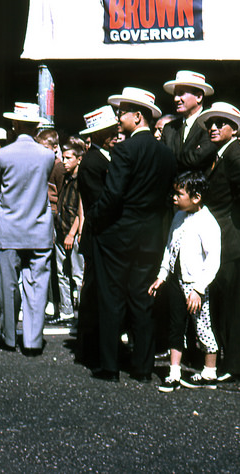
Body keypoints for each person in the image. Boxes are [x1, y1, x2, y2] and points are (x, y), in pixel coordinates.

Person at [90, 87, 176, 382]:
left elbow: (113, 195)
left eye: (122, 112)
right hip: (151, 235)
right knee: (142, 299)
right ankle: (143, 367)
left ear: (138, 117)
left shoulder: (124, 150)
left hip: (119, 234)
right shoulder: (166, 154)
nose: (117, 117)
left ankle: (110, 366)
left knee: (112, 298)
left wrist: (95, 219)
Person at [196, 102, 240, 382]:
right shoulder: (221, 154)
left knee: (236, 307)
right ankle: (231, 362)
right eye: (210, 123)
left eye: (220, 123)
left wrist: (236, 210)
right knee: (227, 303)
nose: (213, 127)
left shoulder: (234, 153)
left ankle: (239, 366)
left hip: (235, 239)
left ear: (233, 129)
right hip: (226, 240)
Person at [0, 102, 56, 357]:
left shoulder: (2, 154)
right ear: (37, 127)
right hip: (39, 227)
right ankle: (32, 340)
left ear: (15, 125)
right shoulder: (47, 155)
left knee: (7, 285)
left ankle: (8, 337)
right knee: (37, 285)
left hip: (9, 227)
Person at [150, 171, 222, 391]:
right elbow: (170, 248)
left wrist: (199, 289)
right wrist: (162, 275)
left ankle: (210, 372)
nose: (174, 198)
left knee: (202, 326)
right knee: (176, 325)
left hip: (195, 284)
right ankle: (174, 372)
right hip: (176, 280)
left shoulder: (208, 222)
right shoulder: (179, 216)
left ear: (196, 197)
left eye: (179, 194)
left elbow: (213, 259)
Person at [74, 105, 120, 368]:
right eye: (109, 132)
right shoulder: (93, 162)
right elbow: (98, 201)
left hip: (99, 234)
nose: (114, 135)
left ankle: (92, 345)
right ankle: (88, 347)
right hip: (96, 235)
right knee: (92, 293)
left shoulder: (104, 157)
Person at [50, 136, 84, 325]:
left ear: (79, 159)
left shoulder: (81, 180)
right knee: (62, 274)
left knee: (77, 275)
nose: (64, 161)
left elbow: (81, 211)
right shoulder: (66, 178)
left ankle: (82, 315)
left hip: (73, 232)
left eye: (68, 158)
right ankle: (66, 312)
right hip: (61, 230)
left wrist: (72, 233)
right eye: (63, 157)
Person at [160, 70, 218, 173]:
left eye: (181, 93)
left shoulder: (211, 126)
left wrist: (169, 158)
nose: (176, 99)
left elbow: (196, 159)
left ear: (199, 97)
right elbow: (160, 158)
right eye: (175, 94)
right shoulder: (169, 128)